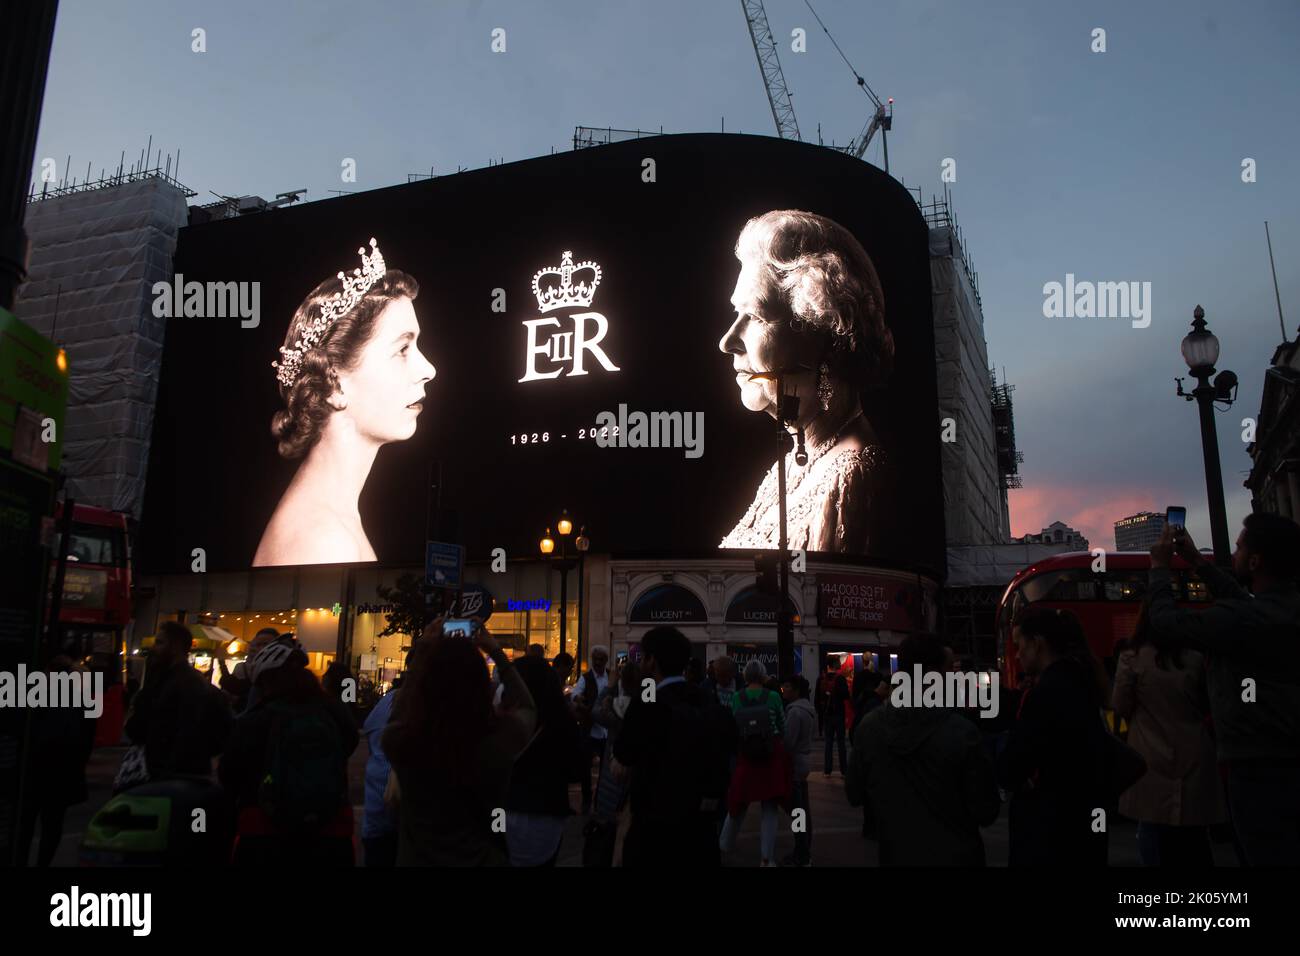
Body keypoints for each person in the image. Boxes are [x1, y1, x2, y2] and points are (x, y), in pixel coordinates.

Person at [718, 209, 895, 553]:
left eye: (754, 316)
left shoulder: (850, 477)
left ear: (821, 334)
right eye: (735, 313)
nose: (727, 341)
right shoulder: (788, 467)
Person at [254, 238, 436, 566]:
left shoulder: (332, 519)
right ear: (335, 384)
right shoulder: (325, 541)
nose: (429, 370)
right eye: (403, 349)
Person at [1147, 517, 1300, 866]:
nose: (1235, 552)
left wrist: (1159, 570)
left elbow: (1166, 624)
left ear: (1256, 561)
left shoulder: (1241, 620)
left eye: (1240, 547)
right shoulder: (1283, 607)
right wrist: (1198, 564)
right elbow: (1246, 602)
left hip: (1257, 766)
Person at [383, 622, 536, 865]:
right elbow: (527, 708)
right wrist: (495, 651)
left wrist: (422, 652)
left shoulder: (406, 743)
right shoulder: (495, 743)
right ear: (482, 685)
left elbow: (397, 718)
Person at [846, 634, 1000, 865]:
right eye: (949, 669)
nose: (955, 676)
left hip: (896, 854)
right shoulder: (962, 732)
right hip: (957, 854)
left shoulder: (869, 727)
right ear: (931, 674)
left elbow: (854, 793)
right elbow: (986, 810)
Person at [218, 636, 359, 865]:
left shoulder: (257, 719)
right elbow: (349, 745)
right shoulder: (334, 713)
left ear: (265, 682)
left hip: (265, 835)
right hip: (331, 836)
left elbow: (229, 775)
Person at [1112, 601, 1224, 867]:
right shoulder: (1195, 658)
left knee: (1153, 833)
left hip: (1149, 754)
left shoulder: (1132, 657)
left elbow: (1119, 705)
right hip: (1195, 755)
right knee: (1193, 838)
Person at [997, 606, 1112, 867]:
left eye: (1020, 645)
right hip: (1084, 824)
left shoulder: (1045, 694)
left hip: (1048, 832)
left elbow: (1011, 767)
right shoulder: (1083, 680)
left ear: (1037, 644)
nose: (1017, 655)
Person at [615, 626, 737, 867]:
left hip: (654, 835)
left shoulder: (646, 704)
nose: (640, 663)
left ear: (652, 662)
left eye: (643, 657)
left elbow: (622, 760)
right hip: (701, 836)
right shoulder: (706, 699)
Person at [125, 620, 233, 779]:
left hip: (170, 774)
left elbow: (142, 727)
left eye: (160, 643)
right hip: (183, 771)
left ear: (175, 646)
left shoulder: (180, 684)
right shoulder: (189, 681)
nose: (154, 648)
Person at [16, 656, 97, 866]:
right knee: (52, 825)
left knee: (24, 824)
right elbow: (86, 741)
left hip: (35, 774)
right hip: (62, 776)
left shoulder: (36, 697)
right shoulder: (80, 701)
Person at [504, 655, 583, 866]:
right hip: (548, 816)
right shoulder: (562, 721)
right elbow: (576, 770)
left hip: (505, 812)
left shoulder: (506, 720)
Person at [720, 659, 790, 867]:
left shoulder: (737, 697)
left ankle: (724, 845)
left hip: (746, 756)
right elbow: (781, 726)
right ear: (763, 675)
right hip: (770, 756)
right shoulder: (774, 696)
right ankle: (766, 858)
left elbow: (734, 725)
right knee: (769, 808)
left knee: (738, 803)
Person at [584, 658, 641, 866]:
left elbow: (596, 710)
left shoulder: (614, 709)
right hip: (635, 784)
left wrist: (608, 687)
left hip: (611, 783)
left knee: (607, 836)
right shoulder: (645, 710)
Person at [780, 674, 817, 866]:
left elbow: (788, 742)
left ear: (795, 690)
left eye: (786, 686)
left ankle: (801, 852)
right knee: (803, 810)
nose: (783, 689)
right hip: (804, 761)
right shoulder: (808, 709)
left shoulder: (794, 712)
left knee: (797, 812)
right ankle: (804, 848)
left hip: (794, 764)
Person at [570, 645, 611, 815]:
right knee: (585, 767)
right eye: (596, 659)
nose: (598, 662)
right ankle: (587, 800)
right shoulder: (585, 678)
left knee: (605, 770)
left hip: (606, 730)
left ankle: (600, 801)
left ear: (605, 661)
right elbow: (575, 693)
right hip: (590, 728)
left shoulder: (611, 677)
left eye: (601, 659)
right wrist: (579, 698)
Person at [217, 627, 278, 713]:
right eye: (258, 644)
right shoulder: (242, 668)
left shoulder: (280, 672)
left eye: (265, 644)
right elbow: (231, 687)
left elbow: (235, 686)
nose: (261, 648)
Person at [824, 670, 849, 775]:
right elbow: (846, 695)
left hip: (827, 714)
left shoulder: (822, 678)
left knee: (828, 743)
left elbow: (818, 696)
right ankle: (843, 770)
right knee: (841, 743)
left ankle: (827, 770)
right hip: (838, 713)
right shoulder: (841, 678)